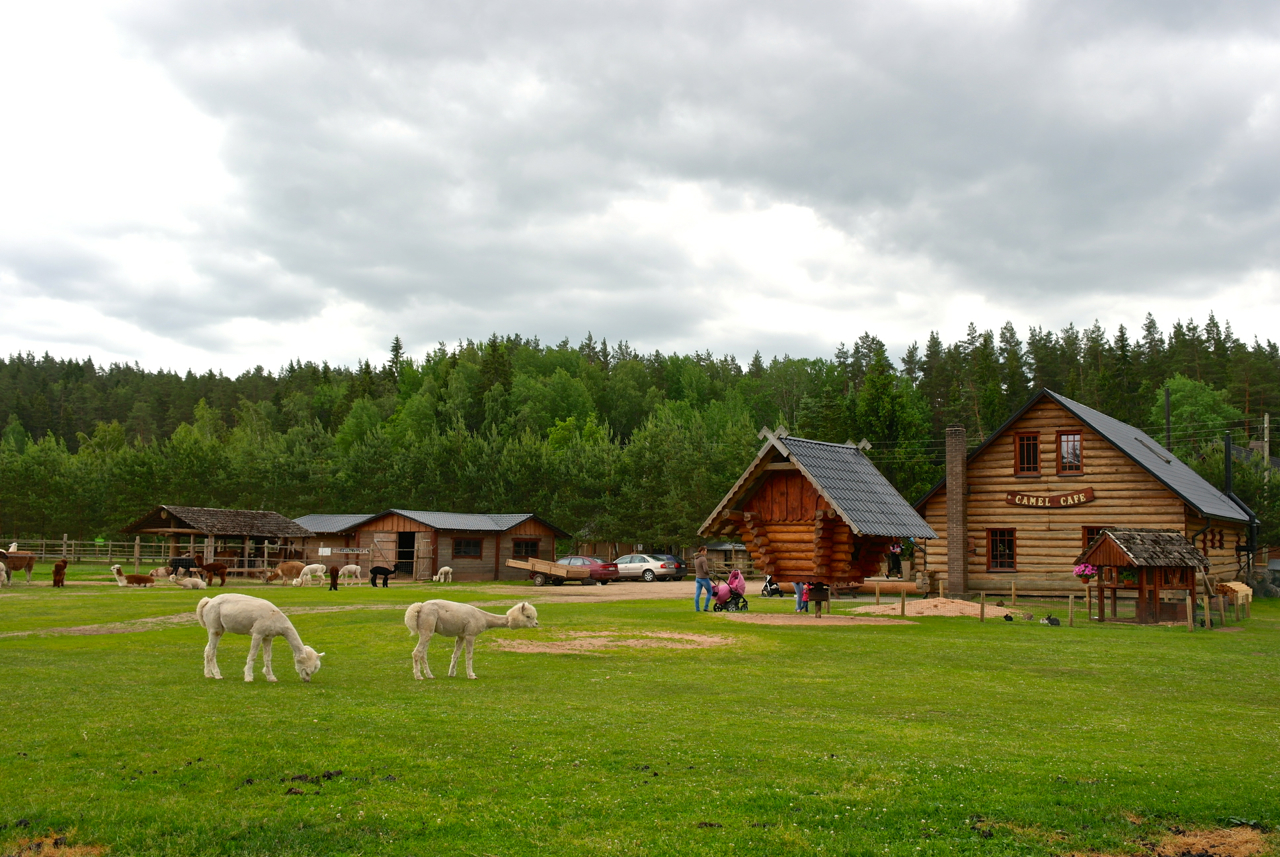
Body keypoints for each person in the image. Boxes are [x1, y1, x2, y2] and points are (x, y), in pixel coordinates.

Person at [693, 546, 713, 611]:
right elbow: (705, 569)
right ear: (702, 551)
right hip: (704, 578)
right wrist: (708, 573)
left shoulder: (696, 559)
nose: (706, 553)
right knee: (710, 592)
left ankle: (697, 609)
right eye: (705, 551)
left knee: (697, 593)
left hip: (698, 578)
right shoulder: (703, 559)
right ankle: (706, 607)